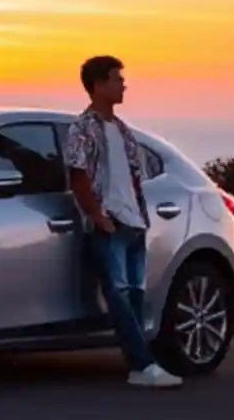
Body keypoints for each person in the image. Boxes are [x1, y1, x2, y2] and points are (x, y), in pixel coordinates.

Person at [65, 55, 183, 388]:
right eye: (117, 79)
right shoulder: (82, 129)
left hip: (134, 224)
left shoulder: (123, 131)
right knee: (117, 293)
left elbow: (135, 177)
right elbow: (78, 175)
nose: (123, 85)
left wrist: (141, 217)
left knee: (133, 296)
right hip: (109, 223)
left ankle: (139, 362)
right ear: (99, 85)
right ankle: (143, 365)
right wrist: (97, 216)